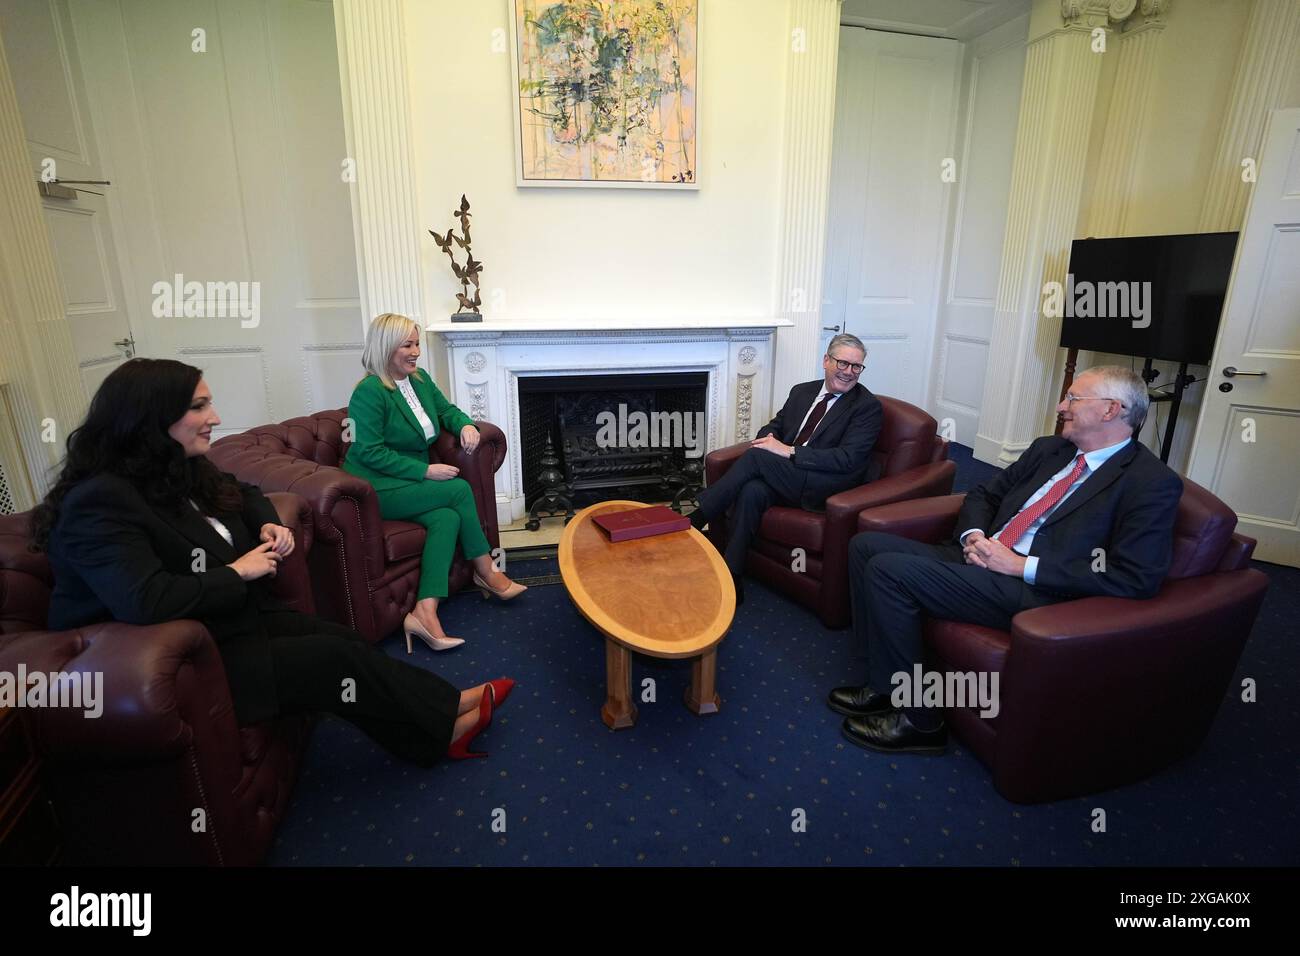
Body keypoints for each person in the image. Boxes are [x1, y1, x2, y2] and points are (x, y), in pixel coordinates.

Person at [34, 358, 510, 764]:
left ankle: (441, 717)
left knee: (343, 640)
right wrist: (237, 571)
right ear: (150, 419)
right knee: (335, 658)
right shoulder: (97, 503)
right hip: (183, 654)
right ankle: (446, 722)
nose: (215, 417)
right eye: (199, 407)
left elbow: (244, 493)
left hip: (228, 622)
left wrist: (267, 523)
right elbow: (145, 600)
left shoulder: (173, 467)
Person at [830, 365, 1183, 754]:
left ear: (1110, 410)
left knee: (888, 571)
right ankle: (883, 686)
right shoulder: (1051, 449)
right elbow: (984, 494)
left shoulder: (1151, 483)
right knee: (866, 546)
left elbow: (1135, 578)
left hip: (1034, 590)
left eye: (1073, 398)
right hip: (982, 555)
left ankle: (919, 720)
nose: (1061, 405)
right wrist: (975, 536)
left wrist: (1019, 565)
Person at [343, 313, 525, 652]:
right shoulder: (369, 392)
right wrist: (425, 471)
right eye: (407, 345)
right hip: (375, 488)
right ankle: (485, 569)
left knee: (447, 517)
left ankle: (424, 611)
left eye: (416, 344)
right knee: (457, 489)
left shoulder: (420, 380)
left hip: (406, 484)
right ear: (386, 348)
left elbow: (447, 411)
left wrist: (465, 425)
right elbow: (368, 452)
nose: (415, 352)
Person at [690, 333, 883, 601]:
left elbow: (848, 459)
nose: (849, 372)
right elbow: (774, 426)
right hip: (787, 475)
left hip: (822, 484)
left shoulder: (867, 407)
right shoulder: (802, 391)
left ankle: (698, 516)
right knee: (753, 491)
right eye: (842, 363)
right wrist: (771, 439)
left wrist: (788, 451)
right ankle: (733, 574)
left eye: (856, 366)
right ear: (826, 360)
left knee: (756, 457)